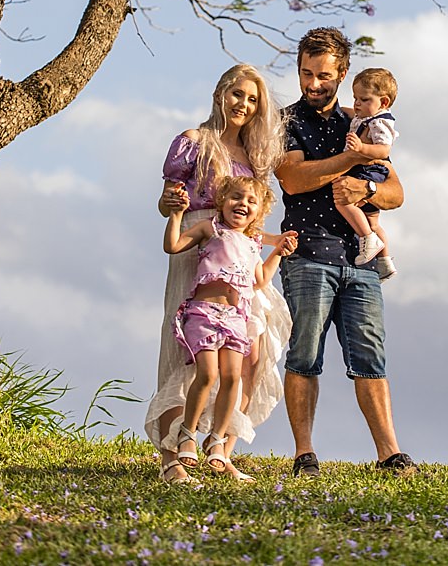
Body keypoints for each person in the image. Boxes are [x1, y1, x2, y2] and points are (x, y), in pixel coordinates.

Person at [277, 27, 415, 476]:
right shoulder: (285, 121)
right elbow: (294, 179)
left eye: (323, 75)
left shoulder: (363, 120)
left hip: (361, 257)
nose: (313, 83)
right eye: (306, 73)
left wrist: (367, 189)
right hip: (307, 253)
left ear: (343, 73)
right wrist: (354, 160)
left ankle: (390, 454)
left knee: (370, 356)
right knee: (304, 354)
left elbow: (395, 193)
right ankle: (304, 454)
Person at [147, 64, 289, 484]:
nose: (243, 104)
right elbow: (166, 201)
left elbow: (254, 213)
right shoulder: (193, 142)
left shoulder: (254, 156)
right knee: (186, 353)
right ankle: (173, 452)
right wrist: (172, 205)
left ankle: (221, 448)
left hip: (242, 253)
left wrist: (272, 244)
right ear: (220, 94)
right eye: (237, 94)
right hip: (198, 243)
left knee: (250, 354)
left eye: (252, 99)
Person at [162, 175, 298, 481]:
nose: (243, 204)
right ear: (222, 201)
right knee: (207, 374)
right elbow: (173, 246)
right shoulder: (210, 229)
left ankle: (218, 440)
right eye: (236, 197)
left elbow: (260, 280)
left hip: (236, 318)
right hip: (204, 313)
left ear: (259, 211)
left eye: (251, 201)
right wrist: (177, 215)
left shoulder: (252, 243)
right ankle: (187, 433)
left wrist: (277, 251)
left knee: (233, 377)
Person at [337, 67, 399, 279]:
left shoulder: (379, 122)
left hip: (369, 171)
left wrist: (361, 148)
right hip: (369, 170)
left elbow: (384, 150)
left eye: (363, 99)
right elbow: (350, 112)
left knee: (344, 201)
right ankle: (385, 261)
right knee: (373, 221)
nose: (357, 104)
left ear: (383, 102)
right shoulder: (365, 116)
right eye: (355, 98)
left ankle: (367, 238)